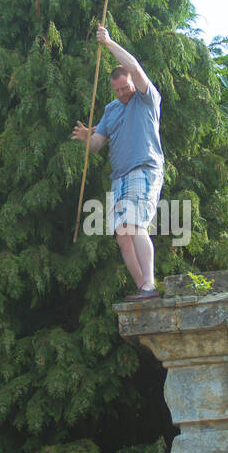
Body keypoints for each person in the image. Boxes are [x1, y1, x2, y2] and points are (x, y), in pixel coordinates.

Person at [71, 24, 164, 301]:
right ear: (112, 89)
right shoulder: (111, 110)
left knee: (136, 225)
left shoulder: (147, 98)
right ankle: (144, 289)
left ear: (132, 83)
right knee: (122, 234)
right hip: (120, 177)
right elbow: (98, 145)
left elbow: (134, 66)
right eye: (118, 90)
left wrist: (108, 43)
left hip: (144, 169)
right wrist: (88, 137)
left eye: (126, 87)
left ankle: (149, 283)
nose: (123, 92)